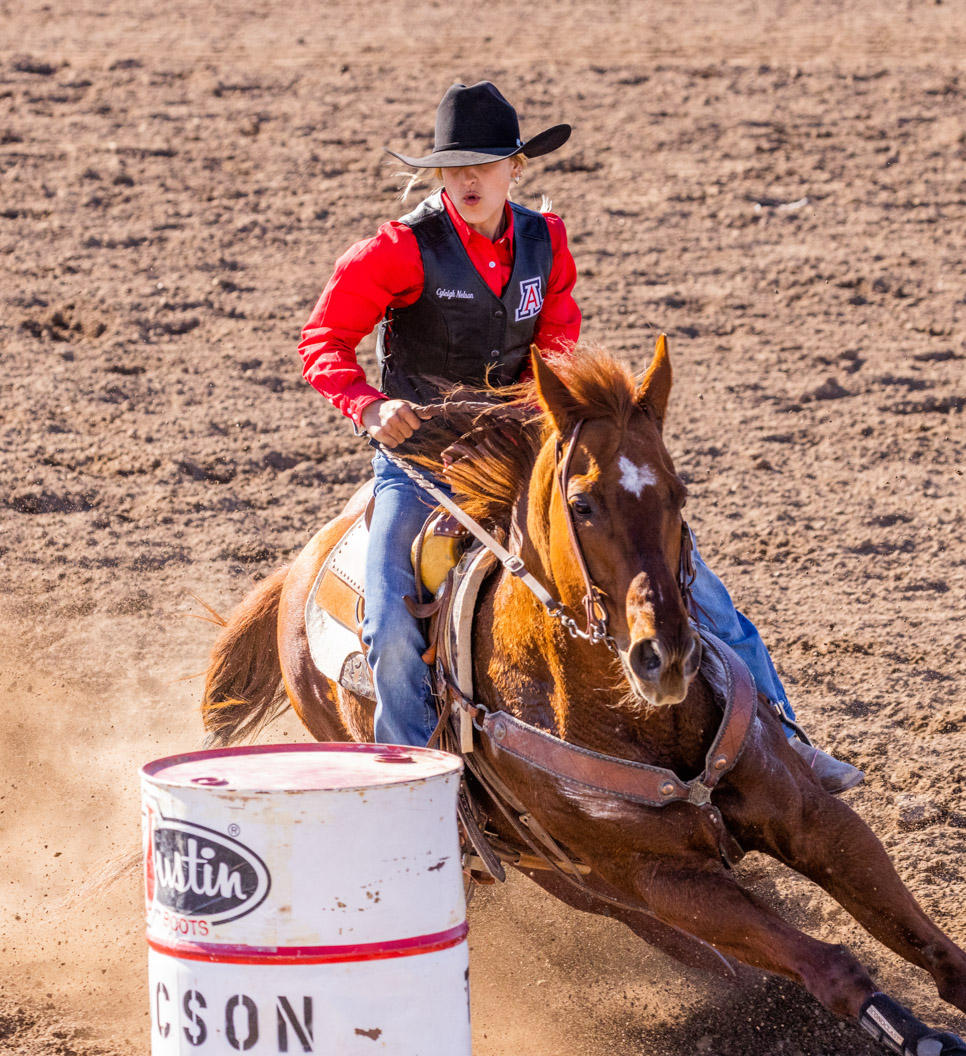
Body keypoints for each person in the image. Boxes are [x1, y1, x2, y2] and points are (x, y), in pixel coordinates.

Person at [297, 82, 862, 792]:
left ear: (515, 168)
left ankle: (788, 739)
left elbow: (558, 342)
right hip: (420, 467)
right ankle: (407, 793)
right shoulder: (396, 250)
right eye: (454, 166)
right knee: (388, 622)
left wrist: (549, 416)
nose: (468, 179)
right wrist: (369, 407)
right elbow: (323, 339)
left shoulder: (545, 240)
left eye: (485, 163)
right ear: (439, 174)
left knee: (699, 587)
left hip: (526, 454)